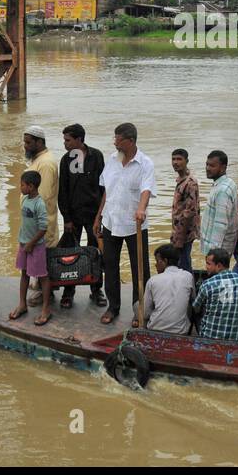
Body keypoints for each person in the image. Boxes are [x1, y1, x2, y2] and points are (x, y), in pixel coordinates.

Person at [94, 123, 157, 328]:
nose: (114, 142)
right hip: (111, 221)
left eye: (118, 139)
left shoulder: (145, 163)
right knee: (110, 266)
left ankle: (139, 310)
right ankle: (113, 307)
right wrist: (98, 217)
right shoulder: (112, 160)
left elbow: (146, 189)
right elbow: (107, 191)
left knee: (140, 268)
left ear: (130, 141)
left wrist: (141, 208)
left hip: (134, 224)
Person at [59, 123, 105, 309]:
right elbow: (63, 191)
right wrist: (67, 218)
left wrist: (101, 216)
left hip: (93, 214)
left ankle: (96, 289)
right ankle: (68, 291)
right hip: (74, 215)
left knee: (95, 253)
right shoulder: (66, 160)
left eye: (68, 140)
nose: (65, 144)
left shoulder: (96, 156)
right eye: (64, 140)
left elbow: (103, 187)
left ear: (79, 139)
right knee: (70, 255)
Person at [23, 125, 60, 308]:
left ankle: (47, 295)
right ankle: (43, 291)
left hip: (41, 225)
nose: (25, 146)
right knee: (39, 259)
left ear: (39, 142)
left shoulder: (45, 163)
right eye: (24, 141)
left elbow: (41, 198)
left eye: (28, 142)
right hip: (33, 224)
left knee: (43, 261)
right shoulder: (39, 160)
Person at [9, 169, 53, 326]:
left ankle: (46, 308)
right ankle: (22, 304)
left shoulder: (39, 204)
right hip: (24, 244)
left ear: (31, 186)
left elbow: (43, 228)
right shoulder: (25, 199)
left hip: (35, 247)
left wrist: (31, 244)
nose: (20, 187)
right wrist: (23, 242)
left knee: (42, 276)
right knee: (24, 274)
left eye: (22, 185)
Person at [189, 248, 238, 341]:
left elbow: (196, 308)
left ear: (219, 266)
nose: (206, 267)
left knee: (194, 307)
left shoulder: (208, 284)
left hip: (210, 336)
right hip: (237, 337)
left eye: (208, 264)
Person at [143, 243, 195, 334]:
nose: (156, 265)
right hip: (181, 331)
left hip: (155, 328)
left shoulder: (153, 280)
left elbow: (146, 313)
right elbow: (193, 300)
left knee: (137, 305)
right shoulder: (188, 276)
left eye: (157, 261)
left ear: (165, 261)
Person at [200, 150, 238, 258]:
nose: (207, 168)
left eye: (212, 166)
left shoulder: (222, 191)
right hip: (219, 249)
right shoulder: (228, 183)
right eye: (207, 164)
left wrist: (214, 254)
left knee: (218, 274)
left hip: (218, 251)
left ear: (223, 167)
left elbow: (220, 225)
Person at [169, 148, 200, 273]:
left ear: (186, 161)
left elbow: (190, 212)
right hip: (178, 230)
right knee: (181, 263)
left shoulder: (190, 183)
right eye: (173, 159)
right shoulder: (180, 180)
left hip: (184, 233)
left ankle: (188, 291)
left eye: (179, 159)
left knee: (184, 265)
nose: (175, 162)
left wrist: (180, 238)